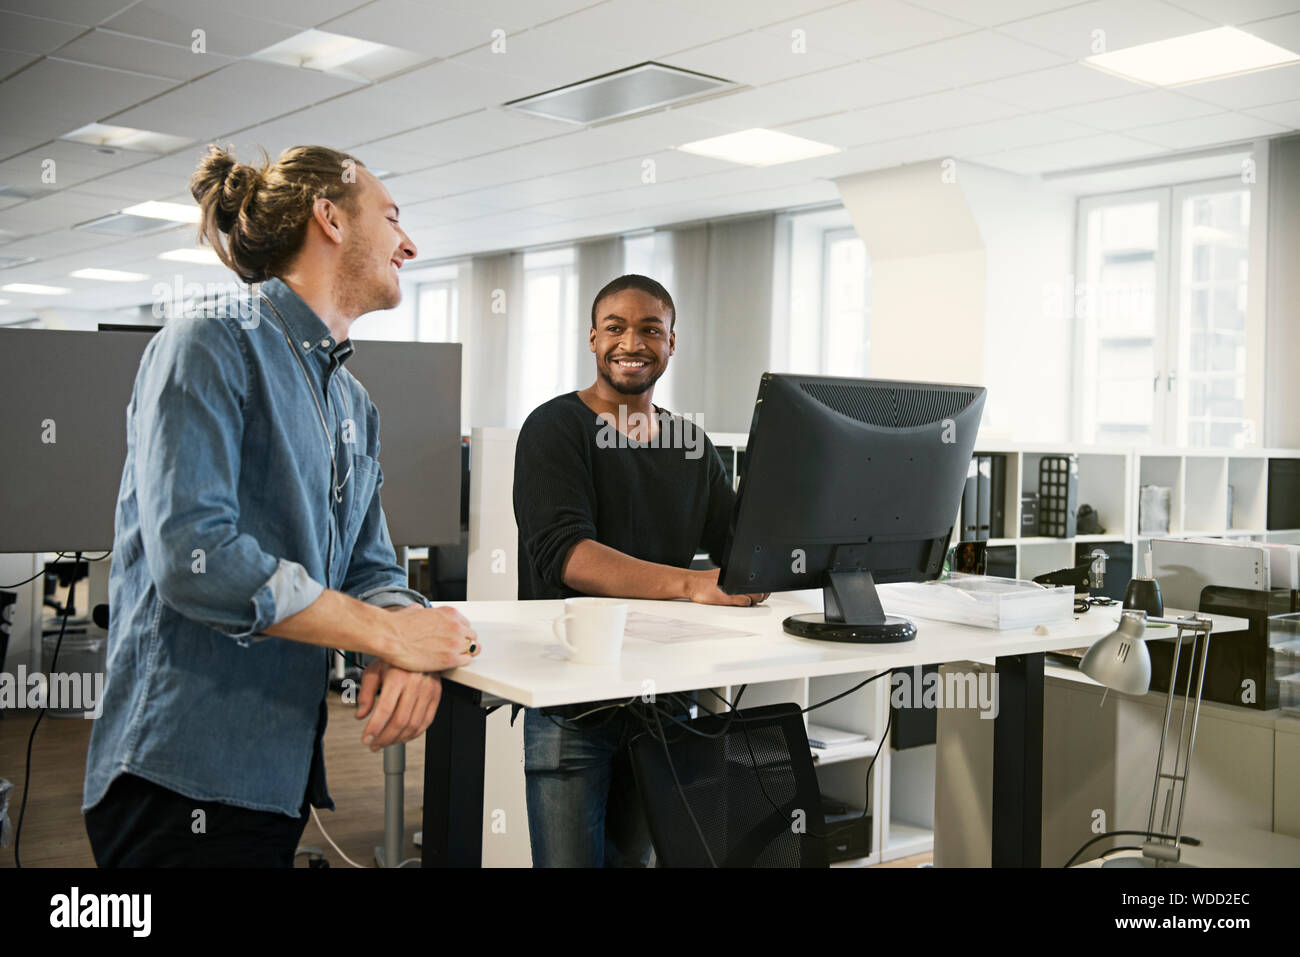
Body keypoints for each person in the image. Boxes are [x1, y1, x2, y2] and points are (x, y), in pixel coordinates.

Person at [82, 144, 480, 867]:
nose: (410, 243)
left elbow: (371, 565)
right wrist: (390, 638)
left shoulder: (352, 401)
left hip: (278, 776)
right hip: (180, 775)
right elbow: (198, 560)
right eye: (392, 217)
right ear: (328, 217)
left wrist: (400, 630)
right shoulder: (209, 343)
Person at [513, 274, 766, 867]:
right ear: (593, 339)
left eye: (651, 329)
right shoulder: (554, 428)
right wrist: (689, 584)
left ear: (672, 343)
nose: (633, 342)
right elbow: (569, 556)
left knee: (637, 862)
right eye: (616, 328)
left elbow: (741, 549)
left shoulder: (690, 444)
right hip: (575, 702)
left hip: (664, 699)